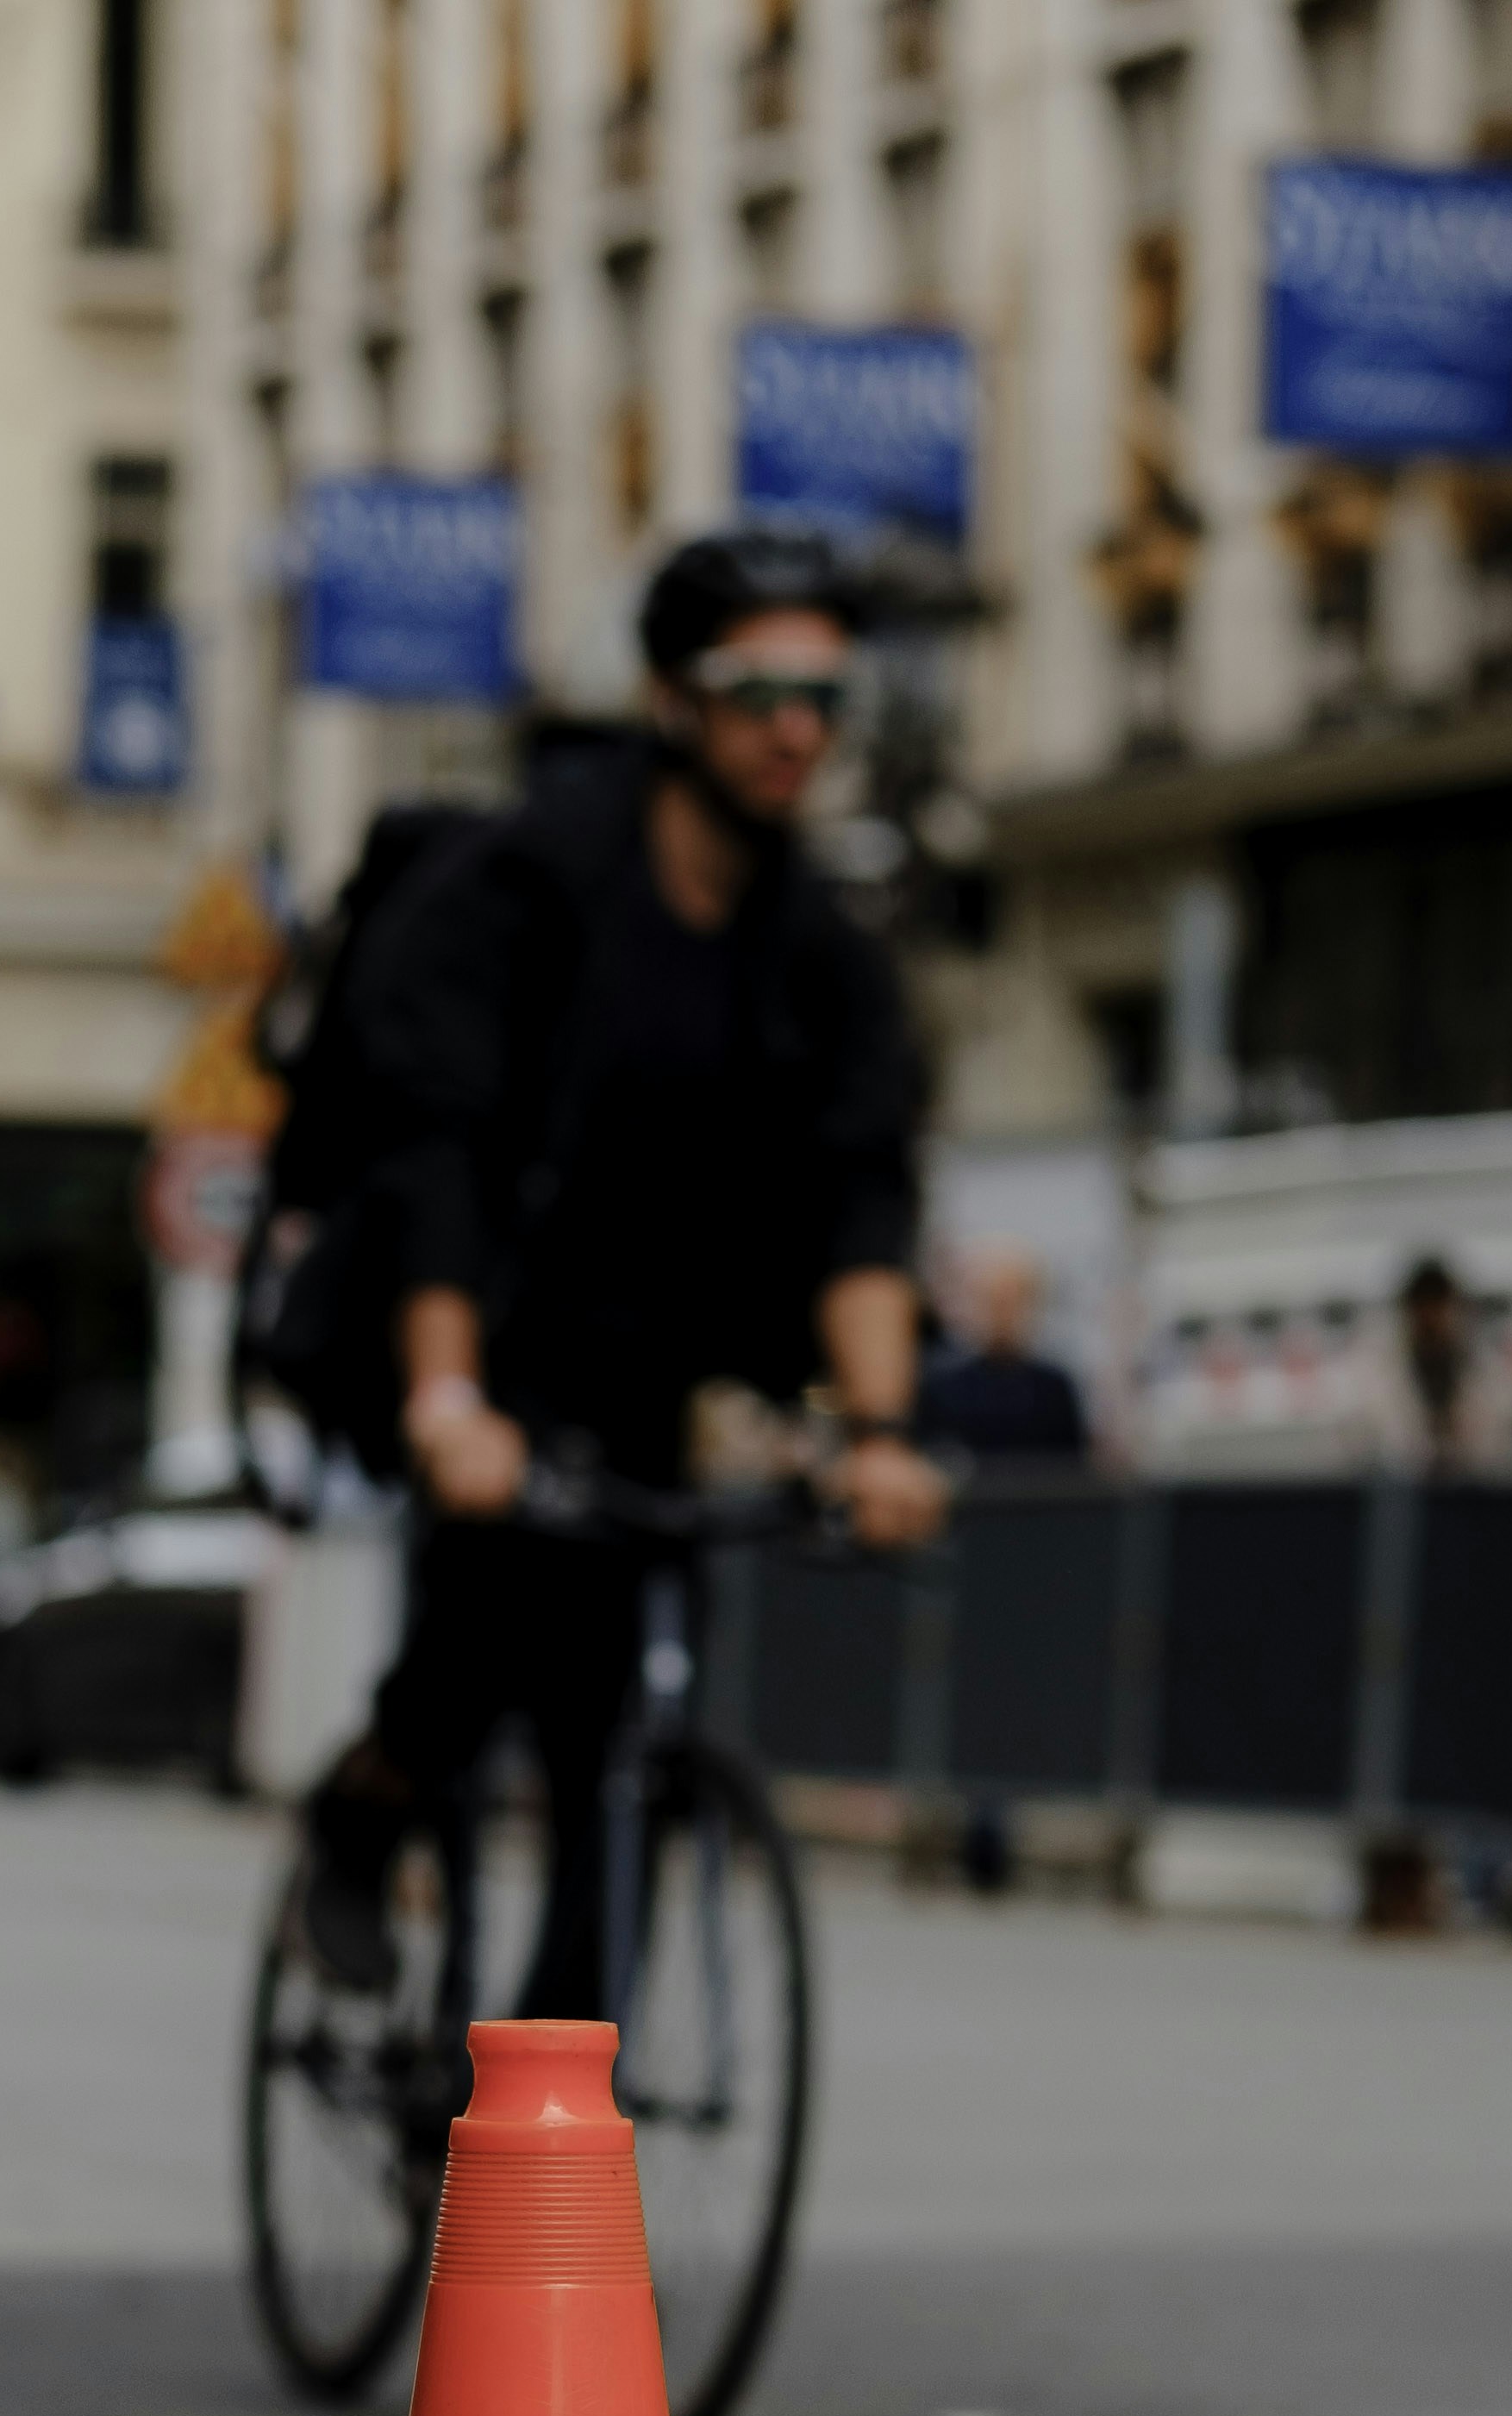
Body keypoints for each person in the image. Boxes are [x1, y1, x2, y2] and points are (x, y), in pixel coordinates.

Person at [304, 524, 944, 2012]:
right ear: (672, 699)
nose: (798, 732)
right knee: (468, 1657)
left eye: (827, 702)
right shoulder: (528, 887)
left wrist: (884, 1433)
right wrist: (451, 1397)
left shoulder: (820, 949)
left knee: (623, 1757)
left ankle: (538, 2150)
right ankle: (369, 1804)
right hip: (488, 1347)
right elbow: (438, 1158)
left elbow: (863, 1193)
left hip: (659, 1375)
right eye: (759, 691)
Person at [918, 1251, 1091, 1463]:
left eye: (1011, 1300)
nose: (1002, 1313)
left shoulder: (1055, 1389)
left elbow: (1074, 1469)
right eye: (992, 1300)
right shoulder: (942, 1388)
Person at [1360, 1252, 1512, 1474]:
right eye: (1421, 1305)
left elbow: (1502, 1450)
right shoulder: (1378, 1373)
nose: (1430, 1317)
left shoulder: (1486, 1372)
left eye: (1438, 1304)